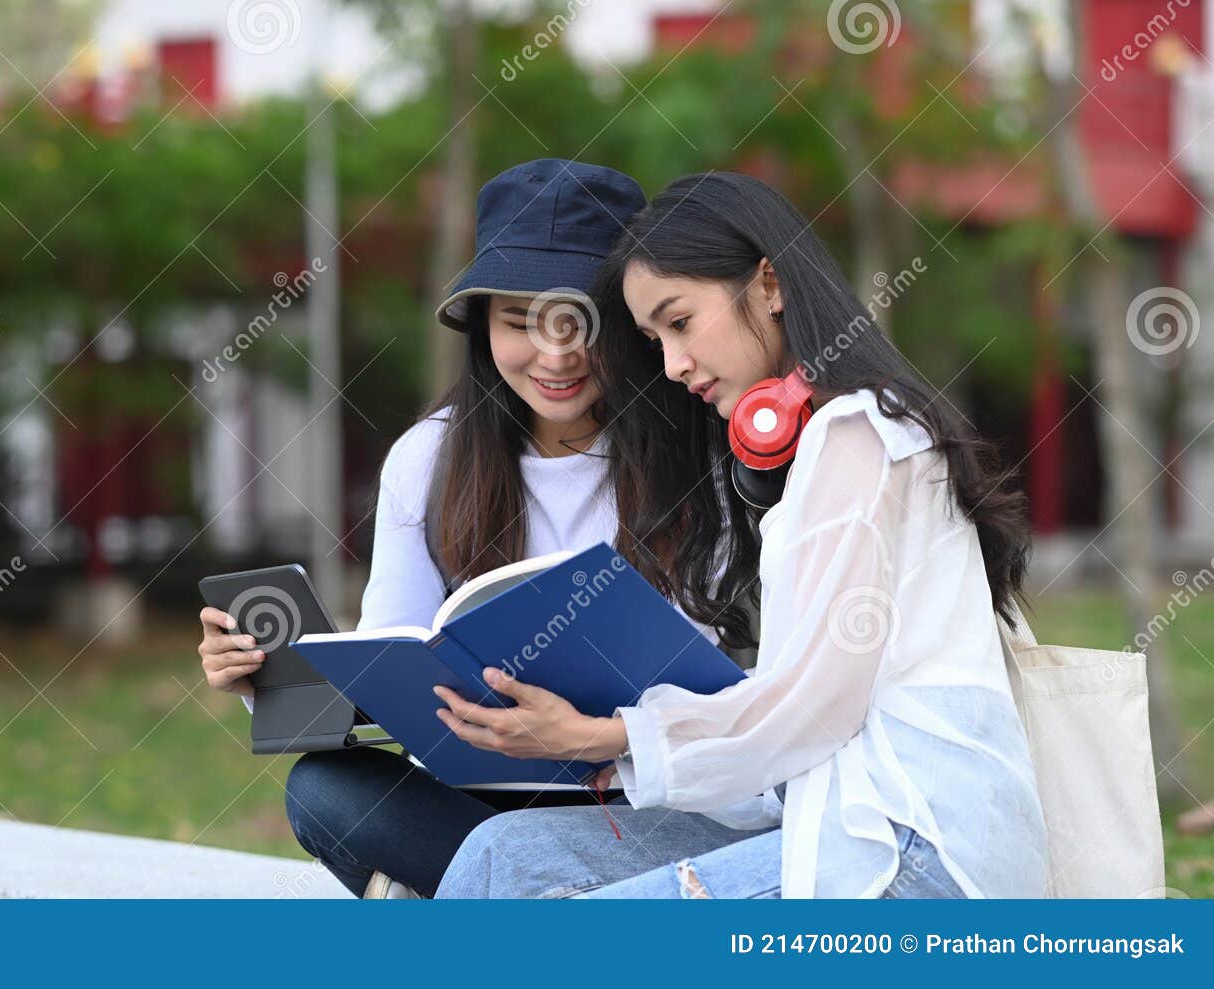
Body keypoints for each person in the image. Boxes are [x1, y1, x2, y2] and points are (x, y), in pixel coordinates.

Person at [432, 171, 1048, 899]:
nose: (672, 364)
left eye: (681, 321)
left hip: (909, 849)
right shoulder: (828, 440)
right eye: (653, 338)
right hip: (831, 815)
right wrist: (641, 752)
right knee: (503, 854)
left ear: (769, 283)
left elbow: (812, 706)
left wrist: (605, 736)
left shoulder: (857, 436)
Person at [197, 159, 722, 898]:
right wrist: (269, 676)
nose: (556, 353)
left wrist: (598, 730)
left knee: (534, 857)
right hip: (479, 797)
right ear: (481, 328)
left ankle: (492, 898)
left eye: (584, 322)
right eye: (519, 322)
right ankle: (533, 898)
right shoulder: (430, 458)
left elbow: (732, 689)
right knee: (326, 789)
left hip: (648, 800)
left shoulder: (702, 451)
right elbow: (395, 656)